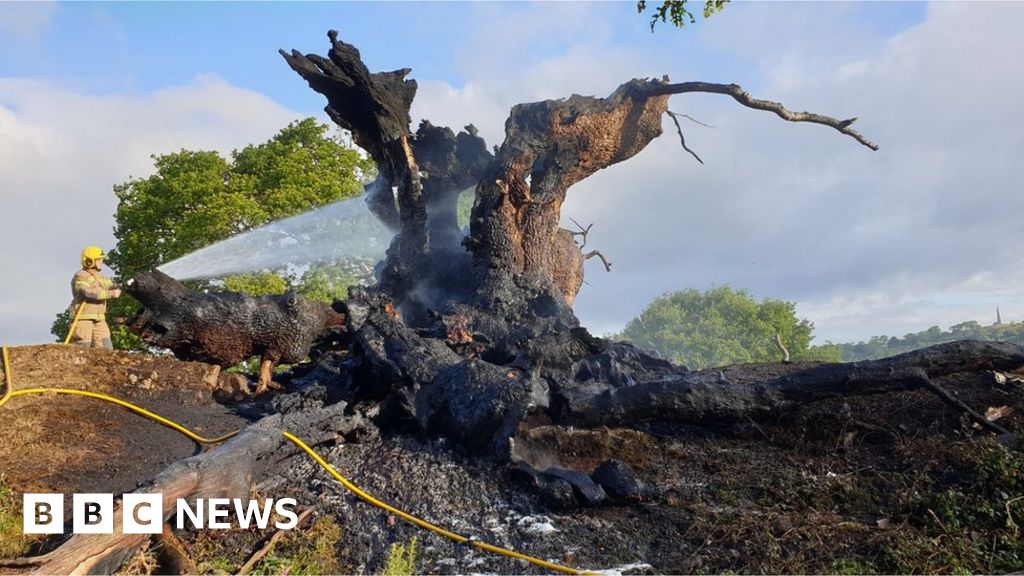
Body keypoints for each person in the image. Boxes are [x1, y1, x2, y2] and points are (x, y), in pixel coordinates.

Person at [69, 246, 121, 349]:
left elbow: (111, 285)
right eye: (99, 259)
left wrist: (121, 286)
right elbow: (88, 292)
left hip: (99, 320)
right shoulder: (80, 276)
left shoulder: (101, 277)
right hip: (83, 319)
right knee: (82, 349)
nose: (102, 262)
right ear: (89, 261)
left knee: (106, 349)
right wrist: (110, 294)